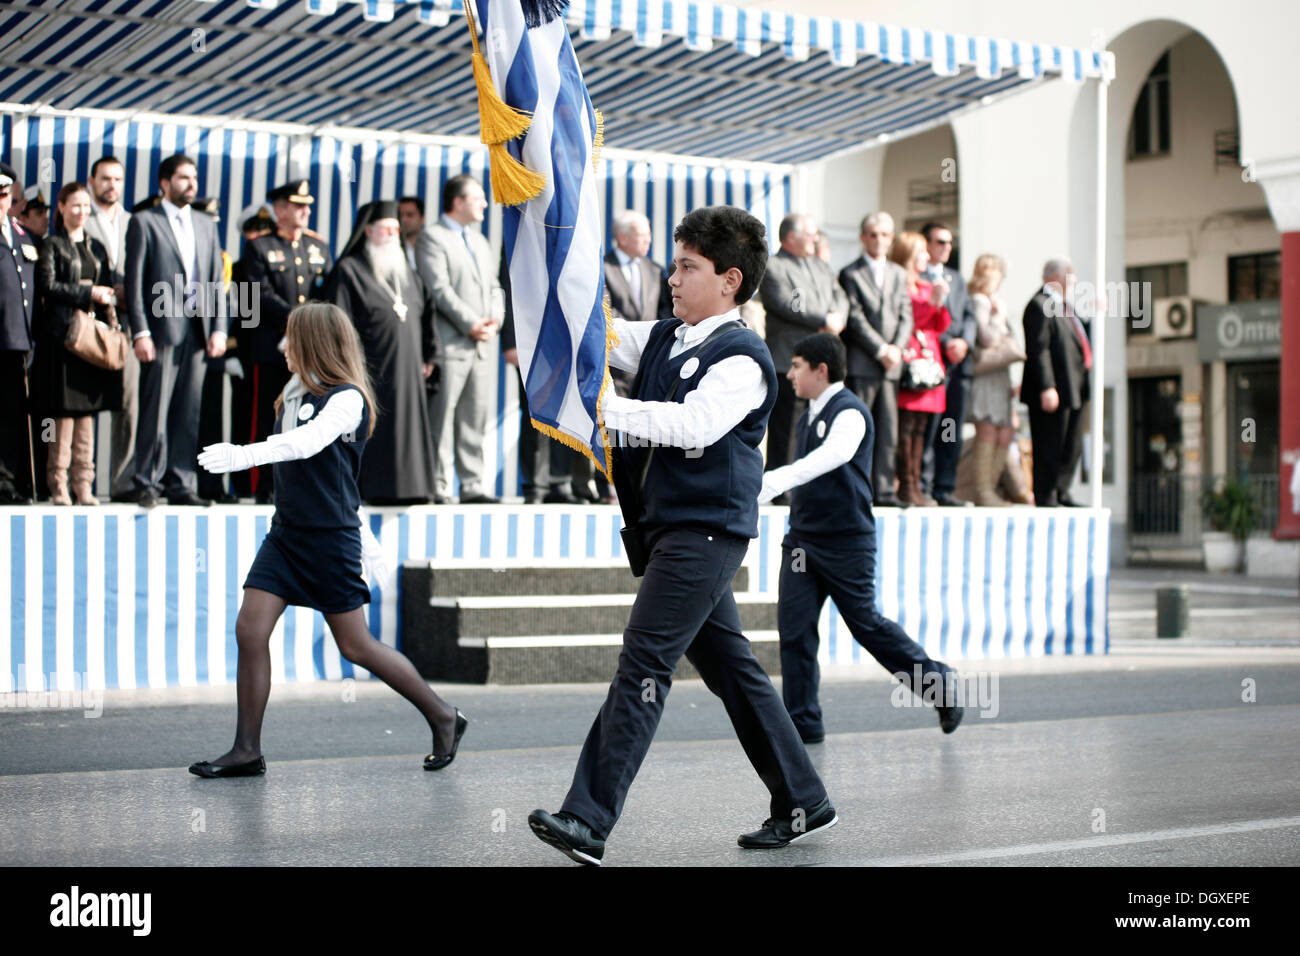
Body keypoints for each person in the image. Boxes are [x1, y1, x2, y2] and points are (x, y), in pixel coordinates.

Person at [528, 205, 837, 866]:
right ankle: (803, 798)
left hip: (707, 531)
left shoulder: (744, 359)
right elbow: (605, 337)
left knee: (644, 662)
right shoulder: (671, 335)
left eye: (687, 266)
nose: (672, 277)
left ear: (729, 280)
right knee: (733, 669)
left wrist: (603, 408)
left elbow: (693, 426)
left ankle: (587, 817)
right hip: (673, 527)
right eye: (674, 263)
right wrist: (550, 283)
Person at [189, 303, 466, 777]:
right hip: (286, 536)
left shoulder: (348, 399)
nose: (284, 348)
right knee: (250, 630)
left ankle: (443, 715)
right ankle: (246, 749)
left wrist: (242, 455)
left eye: (291, 339)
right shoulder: (294, 391)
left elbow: (306, 444)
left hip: (330, 540)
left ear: (314, 342)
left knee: (356, 646)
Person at [759, 333, 963, 740]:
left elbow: (831, 456)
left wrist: (771, 482)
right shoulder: (805, 415)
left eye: (797, 365)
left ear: (822, 370)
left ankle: (939, 685)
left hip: (846, 542)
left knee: (866, 626)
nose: (791, 373)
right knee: (795, 630)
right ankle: (804, 725)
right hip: (802, 540)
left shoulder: (850, 412)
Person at [123, 153, 228, 507]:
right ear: (164, 183)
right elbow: (134, 282)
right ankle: (147, 482)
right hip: (160, 328)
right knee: (155, 409)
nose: (191, 184)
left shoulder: (206, 224)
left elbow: (216, 281)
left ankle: (182, 482)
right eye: (183, 178)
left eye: (194, 177)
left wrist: (219, 329)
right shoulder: (144, 222)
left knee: (189, 409)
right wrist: (140, 332)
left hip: (198, 331)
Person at [324, 200, 439, 505]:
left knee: (410, 426)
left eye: (395, 230)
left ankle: (414, 487)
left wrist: (431, 355)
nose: (391, 235)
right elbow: (338, 324)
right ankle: (375, 488)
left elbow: (428, 317)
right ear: (367, 232)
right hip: (368, 372)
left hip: (409, 369)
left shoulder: (409, 276)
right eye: (384, 229)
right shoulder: (350, 272)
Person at [413, 174, 503, 504]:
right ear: (458, 201)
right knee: (442, 417)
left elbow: (495, 287)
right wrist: (470, 322)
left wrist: (494, 321)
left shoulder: (479, 241)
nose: (484, 203)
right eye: (478, 198)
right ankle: (438, 485)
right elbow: (438, 290)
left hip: (480, 343)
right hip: (450, 343)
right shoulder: (432, 238)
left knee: (474, 416)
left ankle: (472, 484)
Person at [34, 183, 123, 506]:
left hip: (90, 341)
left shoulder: (96, 246)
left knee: (87, 413)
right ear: (61, 207)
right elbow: (47, 285)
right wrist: (87, 293)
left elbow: (109, 283)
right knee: (64, 415)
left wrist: (105, 298)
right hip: (62, 338)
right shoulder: (52, 245)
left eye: (86, 206)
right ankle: (58, 482)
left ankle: (83, 483)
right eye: (75, 205)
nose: (81, 212)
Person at [244, 180, 333, 503]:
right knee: (272, 417)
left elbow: (326, 291)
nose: (305, 210)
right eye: (298, 205)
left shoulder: (318, 247)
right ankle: (266, 485)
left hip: (310, 351)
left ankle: (304, 484)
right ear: (280, 209)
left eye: (307, 204)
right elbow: (258, 294)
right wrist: (297, 319)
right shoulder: (260, 246)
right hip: (273, 348)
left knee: (309, 416)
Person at [758, 212, 847, 473]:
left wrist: (838, 316)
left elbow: (839, 295)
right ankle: (783, 486)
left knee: (817, 423)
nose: (815, 239)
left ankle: (807, 482)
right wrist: (823, 318)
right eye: (810, 234)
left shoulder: (820, 265)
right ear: (790, 237)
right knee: (788, 426)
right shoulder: (773, 266)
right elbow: (786, 303)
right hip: (788, 360)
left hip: (820, 360)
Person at [838, 211, 912, 507]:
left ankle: (883, 491)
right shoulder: (850, 273)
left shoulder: (899, 273)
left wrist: (896, 348)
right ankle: (855, 490)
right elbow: (854, 318)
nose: (878, 239)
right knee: (858, 429)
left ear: (891, 238)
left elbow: (906, 315)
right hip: (864, 362)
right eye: (872, 234)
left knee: (888, 431)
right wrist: (881, 349)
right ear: (862, 237)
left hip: (892, 365)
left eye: (884, 234)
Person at [83, 156, 137, 503]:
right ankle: (80, 483)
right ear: (92, 181)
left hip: (128, 325)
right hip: (89, 324)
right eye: (105, 178)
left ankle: (123, 482)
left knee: (129, 405)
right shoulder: (78, 218)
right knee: (83, 405)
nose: (112, 185)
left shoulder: (135, 222)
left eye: (117, 179)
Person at [1023, 257, 1091, 507]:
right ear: (1053, 276)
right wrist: (1046, 386)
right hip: (1055, 389)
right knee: (1050, 443)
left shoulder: (1066, 307)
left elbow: (1079, 341)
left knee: (1071, 444)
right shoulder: (1039, 305)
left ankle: (1061, 490)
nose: (1073, 278)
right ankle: (1046, 494)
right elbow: (1039, 349)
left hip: (1074, 387)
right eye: (1069, 273)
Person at [891, 231, 950, 507]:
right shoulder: (899, 283)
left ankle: (916, 483)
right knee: (905, 426)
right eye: (922, 253)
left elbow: (941, 324)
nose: (927, 257)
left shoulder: (927, 285)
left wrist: (938, 303)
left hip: (928, 360)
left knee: (921, 427)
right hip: (908, 358)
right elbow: (911, 316)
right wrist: (932, 304)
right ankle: (905, 484)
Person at [920, 222, 976, 507]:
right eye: (940, 241)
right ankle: (924, 486)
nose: (946, 247)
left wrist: (964, 343)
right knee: (929, 428)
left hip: (958, 365)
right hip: (932, 363)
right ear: (927, 244)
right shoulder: (916, 276)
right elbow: (922, 318)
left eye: (949, 243)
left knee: (952, 426)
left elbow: (968, 315)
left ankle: (945, 487)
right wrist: (945, 344)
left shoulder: (957, 278)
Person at [965, 254, 1026, 506]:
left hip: (998, 378)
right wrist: (998, 317)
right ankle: (983, 491)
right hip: (985, 379)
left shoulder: (989, 301)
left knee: (1005, 431)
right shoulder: (980, 301)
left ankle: (988, 488)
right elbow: (988, 339)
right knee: (988, 429)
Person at [0, 162, 39, 504]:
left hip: (15, 340)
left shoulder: (22, 235)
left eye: (5, 195)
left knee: (12, 417)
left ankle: (8, 483)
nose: (2, 200)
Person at [398, 195, 425, 270]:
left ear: (422, 219)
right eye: (400, 215)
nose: (404, 220)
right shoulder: (391, 247)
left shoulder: (432, 246)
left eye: (410, 215)